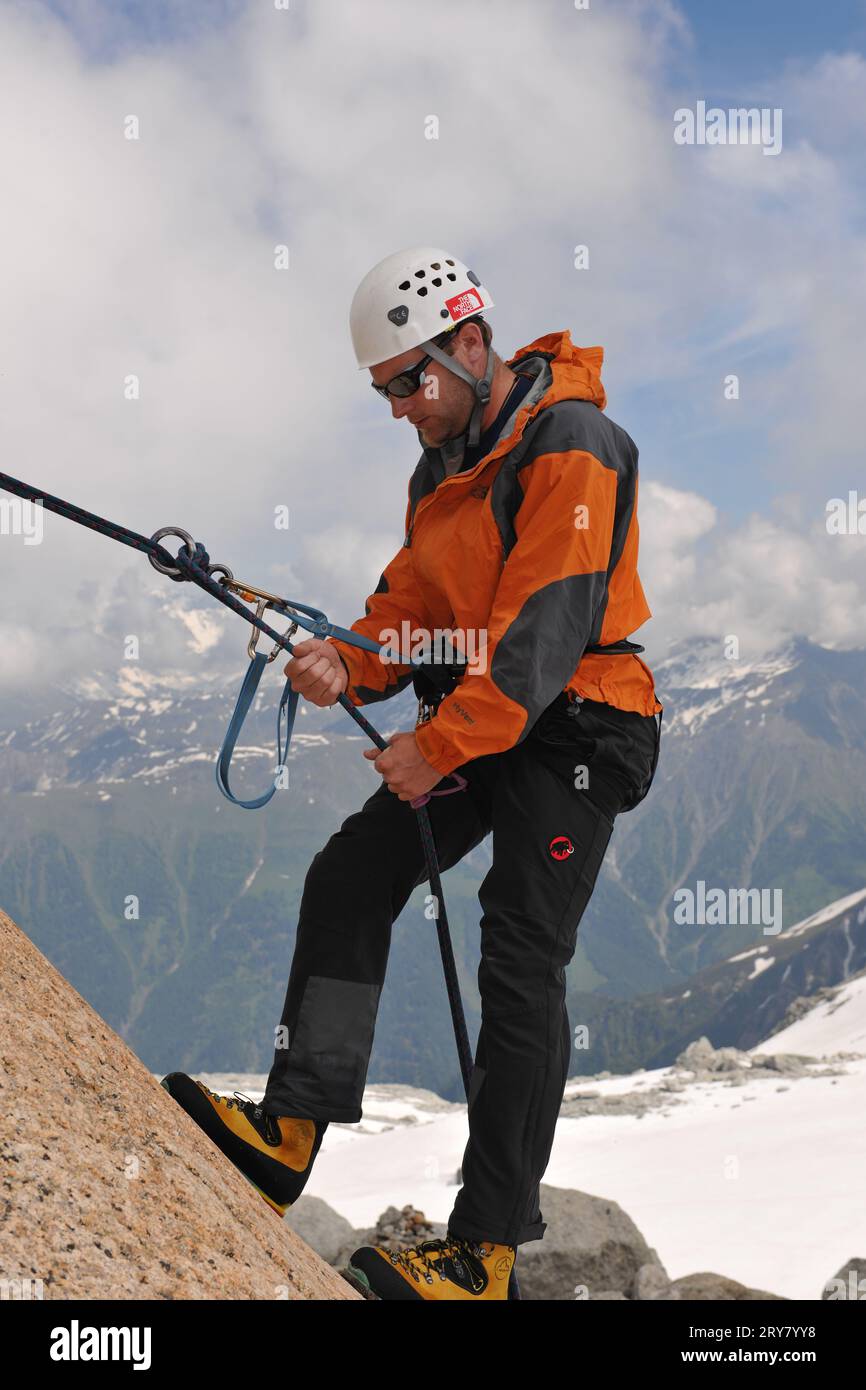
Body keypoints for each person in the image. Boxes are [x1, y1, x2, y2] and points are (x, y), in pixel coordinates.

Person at [163, 245, 664, 1301]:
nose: (398, 405)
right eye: (384, 388)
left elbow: (536, 641)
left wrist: (431, 745)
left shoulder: (573, 443)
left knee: (519, 957)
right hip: (490, 723)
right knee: (350, 873)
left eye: (409, 379)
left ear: (469, 344)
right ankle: (288, 1129)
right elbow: (410, 615)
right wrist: (343, 659)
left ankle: (480, 1252)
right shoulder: (440, 470)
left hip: (575, 730)